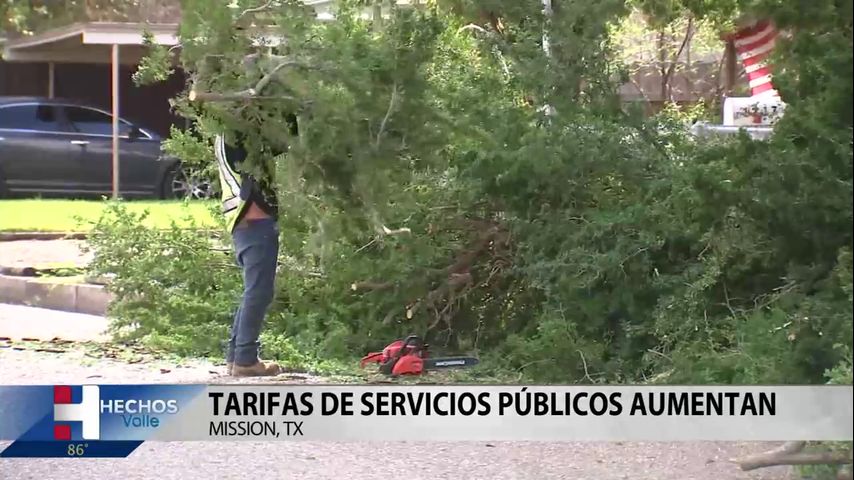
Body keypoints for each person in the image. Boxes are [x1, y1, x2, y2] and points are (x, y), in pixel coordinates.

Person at [213, 127, 289, 377]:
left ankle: (237, 357)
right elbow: (279, 142)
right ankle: (245, 359)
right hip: (253, 217)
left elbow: (279, 145)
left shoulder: (226, 127)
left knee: (254, 290)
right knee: (258, 291)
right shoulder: (237, 129)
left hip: (244, 218)